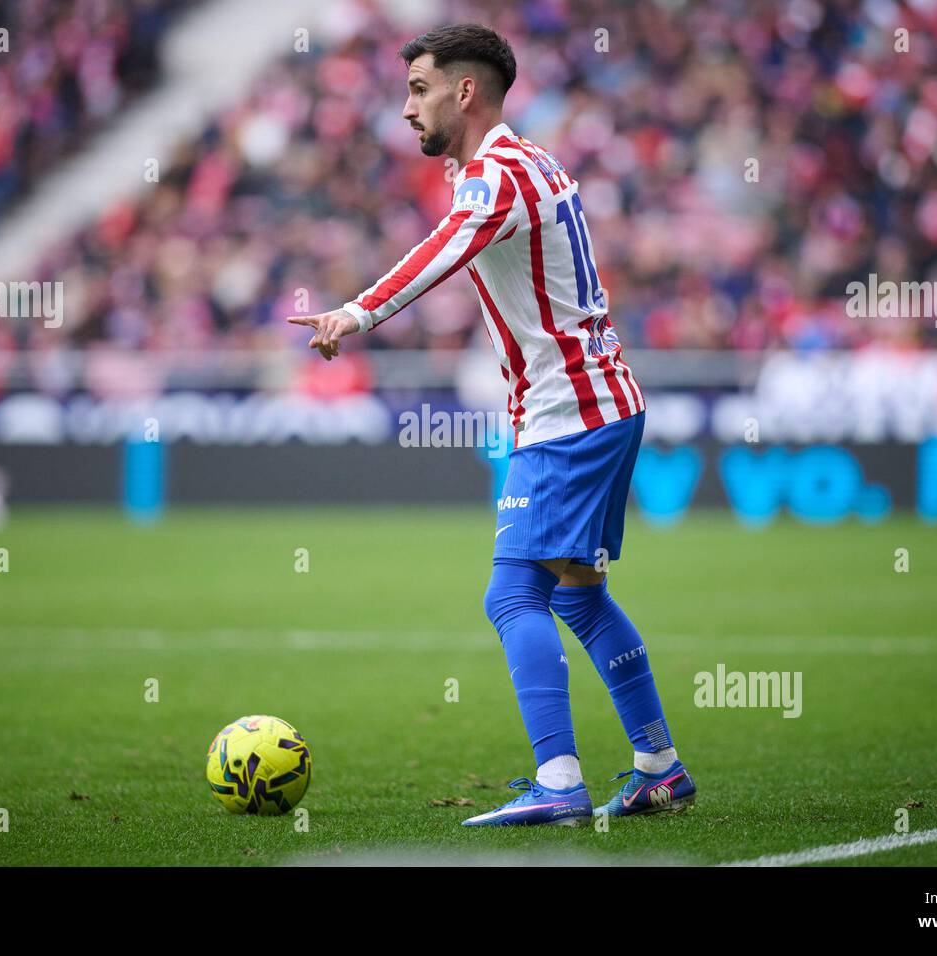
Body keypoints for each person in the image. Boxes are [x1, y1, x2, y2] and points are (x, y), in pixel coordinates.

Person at [287, 23, 694, 826]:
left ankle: (560, 780)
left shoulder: (496, 177)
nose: (406, 109)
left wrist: (355, 311)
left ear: (464, 91)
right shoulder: (519, 162)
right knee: (575, 595)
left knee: (512, 595)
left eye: (418, 89)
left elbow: (445, 248)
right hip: (596, 402)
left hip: (568, 411)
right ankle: (659, 767)